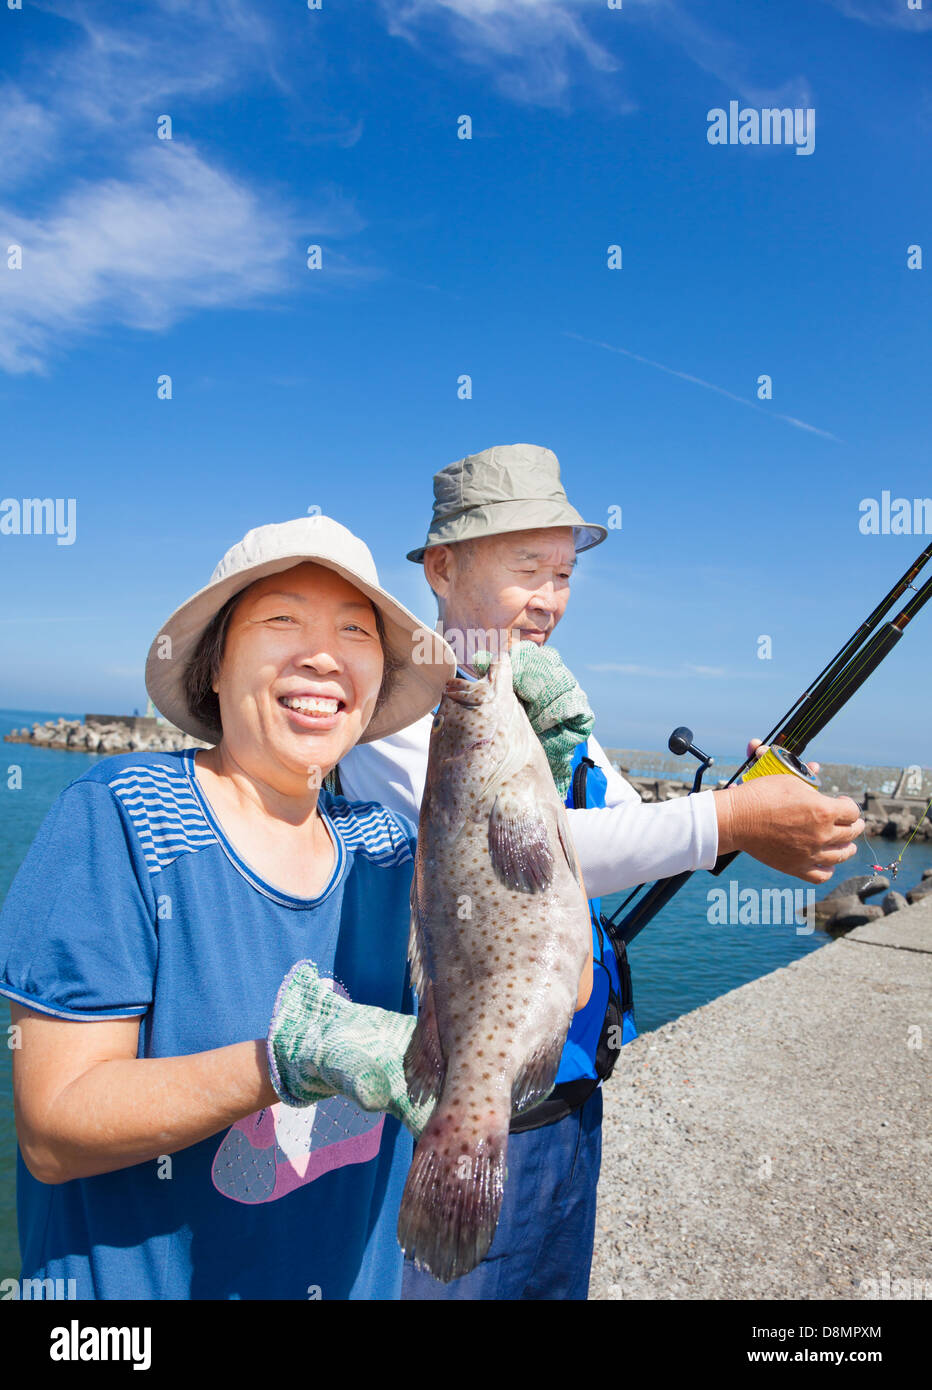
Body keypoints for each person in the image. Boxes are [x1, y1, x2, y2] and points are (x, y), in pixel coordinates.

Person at [336, 442, 865, 1299]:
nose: (549, 600)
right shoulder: (407, 709)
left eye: (563, 574)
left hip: (569, 1101)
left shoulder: (543, 703)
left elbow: (626, 831)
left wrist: (748, 806)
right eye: (526, 570)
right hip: (457, 1102)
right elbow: (525, 855)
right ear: (441, 566)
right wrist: (724, 821)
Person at [0, 515, 468, 1300]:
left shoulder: (391, 849)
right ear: (216, 664)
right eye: (282, 619)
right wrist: (283, 1062)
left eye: (356, 632)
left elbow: (544, 995)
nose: (322, 655)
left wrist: (518, 808)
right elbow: (54, 1127)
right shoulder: (124, 817)